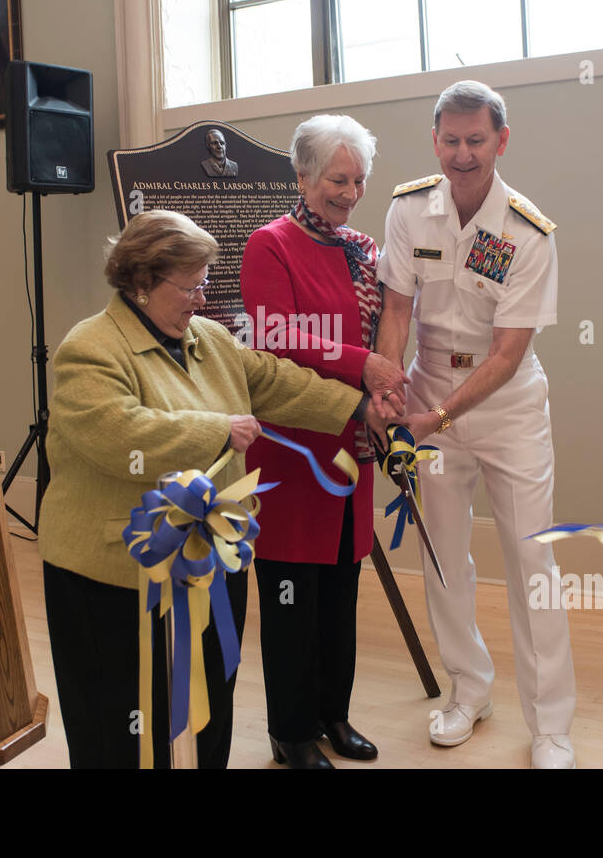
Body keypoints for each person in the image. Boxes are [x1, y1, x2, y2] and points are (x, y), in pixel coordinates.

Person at [41, 209, 388, 768]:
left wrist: (360, 406)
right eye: (190, 286)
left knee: (206, 709)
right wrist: (217, 429)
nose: (202, 298)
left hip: (210, 559)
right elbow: (118, 433)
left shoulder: (211, 338)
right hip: (115, 576)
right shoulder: (90, 348)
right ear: (140, 282)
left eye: (205, 283)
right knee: (124, 718)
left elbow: (276, 382)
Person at [374, 80, 578, 769]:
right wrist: (389, 382)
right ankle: (469, 690)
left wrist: (435, 416)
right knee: (442, 557)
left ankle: (550, 725)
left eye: (476, 141)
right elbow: (396, 310)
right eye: (451, 140)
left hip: (506, 408)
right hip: (428, 393)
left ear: (501, 141)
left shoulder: (526, 231)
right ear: (435, 140)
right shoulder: (408, 211)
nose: (463, 154)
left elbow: (507, 352)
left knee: (532, 563)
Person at [240, 114, 408, 768]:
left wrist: (386, 384)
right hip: (295, 450)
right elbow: (275, 334)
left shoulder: (364, 248)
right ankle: (291, 731)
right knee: (291, 596)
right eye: (338, 178)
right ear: (303, 175)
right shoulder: (269, 243)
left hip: (354, 448)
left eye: (359, 179)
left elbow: (389, 327)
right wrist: (359, 364)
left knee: (340, 593)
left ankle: (333, 715)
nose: (349, 191)